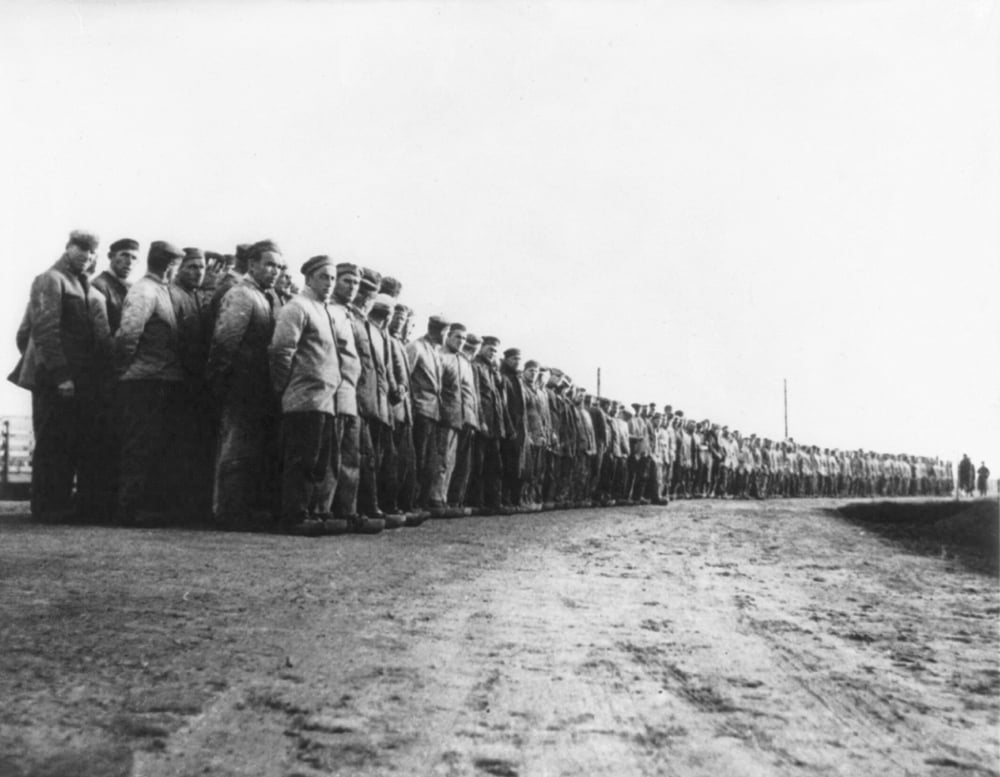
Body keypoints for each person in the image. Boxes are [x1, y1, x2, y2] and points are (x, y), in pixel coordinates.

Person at [11, 230, 110, 521]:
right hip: (57, 380)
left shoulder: (85, 286)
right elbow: (43, 330)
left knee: (69, 440)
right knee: (52, 442)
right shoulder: (50, 279)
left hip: (80, 379)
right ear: (68, 247)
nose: (87, 256)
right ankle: (47, 507)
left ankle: (61, 505)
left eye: (92, 251)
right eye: (82, 248)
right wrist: (60, 374)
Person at [207, 239, 282, 530]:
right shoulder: (241, 294)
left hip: (260, 388)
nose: (275, 271)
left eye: (278, 267)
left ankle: (243, 509)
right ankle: (228, 511)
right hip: (240, 386)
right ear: (252, 264)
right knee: (235, 449)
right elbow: (225, 341)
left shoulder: (267, 296)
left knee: (251, 450)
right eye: (269, 264)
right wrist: (220, 382)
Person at [268, 255, 343, 536]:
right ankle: (294, 516)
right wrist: (285, 386)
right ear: (309, 278)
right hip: (304, 398)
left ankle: (307, 512)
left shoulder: (323, 310)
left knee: (317, 461)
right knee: (301, 460)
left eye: (333, 278)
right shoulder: (298, 307)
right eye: (324, 277)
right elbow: (281, 350)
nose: (329, 283)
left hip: (325, 399)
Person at [114, 240, 185, 525]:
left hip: (161, 379)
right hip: (145, 381)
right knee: (139, 444)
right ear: (170, 266)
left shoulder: (160, 291)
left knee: (155, 444)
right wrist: (126, 367)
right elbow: (128, 334)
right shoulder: (144, 291)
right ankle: (130, 508)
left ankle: (146, 507)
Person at [328, 263, 384, 534]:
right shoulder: (334, 312)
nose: (361, 294)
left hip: (357, 397)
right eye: (352, 285)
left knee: (356, 456)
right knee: (338, 455)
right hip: (338, 392)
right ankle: (335, 511)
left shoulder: (356, 318)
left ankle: (349, 510)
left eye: (366, 291)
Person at [168, 247, 214, 520]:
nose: (198, 272)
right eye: (192, 267)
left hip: (196, 380)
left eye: (201, 267)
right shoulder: (173, 294)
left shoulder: (197, 296)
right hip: (179, 379)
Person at [406, 315, 447, 509]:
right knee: (418, 458)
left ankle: (421, 503)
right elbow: (405, 377)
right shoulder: (417, 347)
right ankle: (411, 502)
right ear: (441, 332)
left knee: (430, 461)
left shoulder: (434, 351)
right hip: (420, 410)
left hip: (433, 412)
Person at [92, 238, 140, 335]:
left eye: (134, 258)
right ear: (111, 256)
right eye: (124, 255)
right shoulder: (98, 286)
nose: (129, 262)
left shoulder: (132, 288)